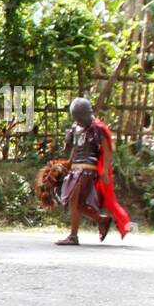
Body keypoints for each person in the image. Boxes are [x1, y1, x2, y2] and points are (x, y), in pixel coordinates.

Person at [51, 96, 131, 245]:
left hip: (88, 169)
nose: (79, 119)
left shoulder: (97, 128)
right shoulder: (75, 128)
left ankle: (73, 237)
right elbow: (75, 147)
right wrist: (68, 163)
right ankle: (101, 220)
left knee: (75, 199)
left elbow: (107, 151)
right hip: (75, 169)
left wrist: (104, 171)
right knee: (76, 204)